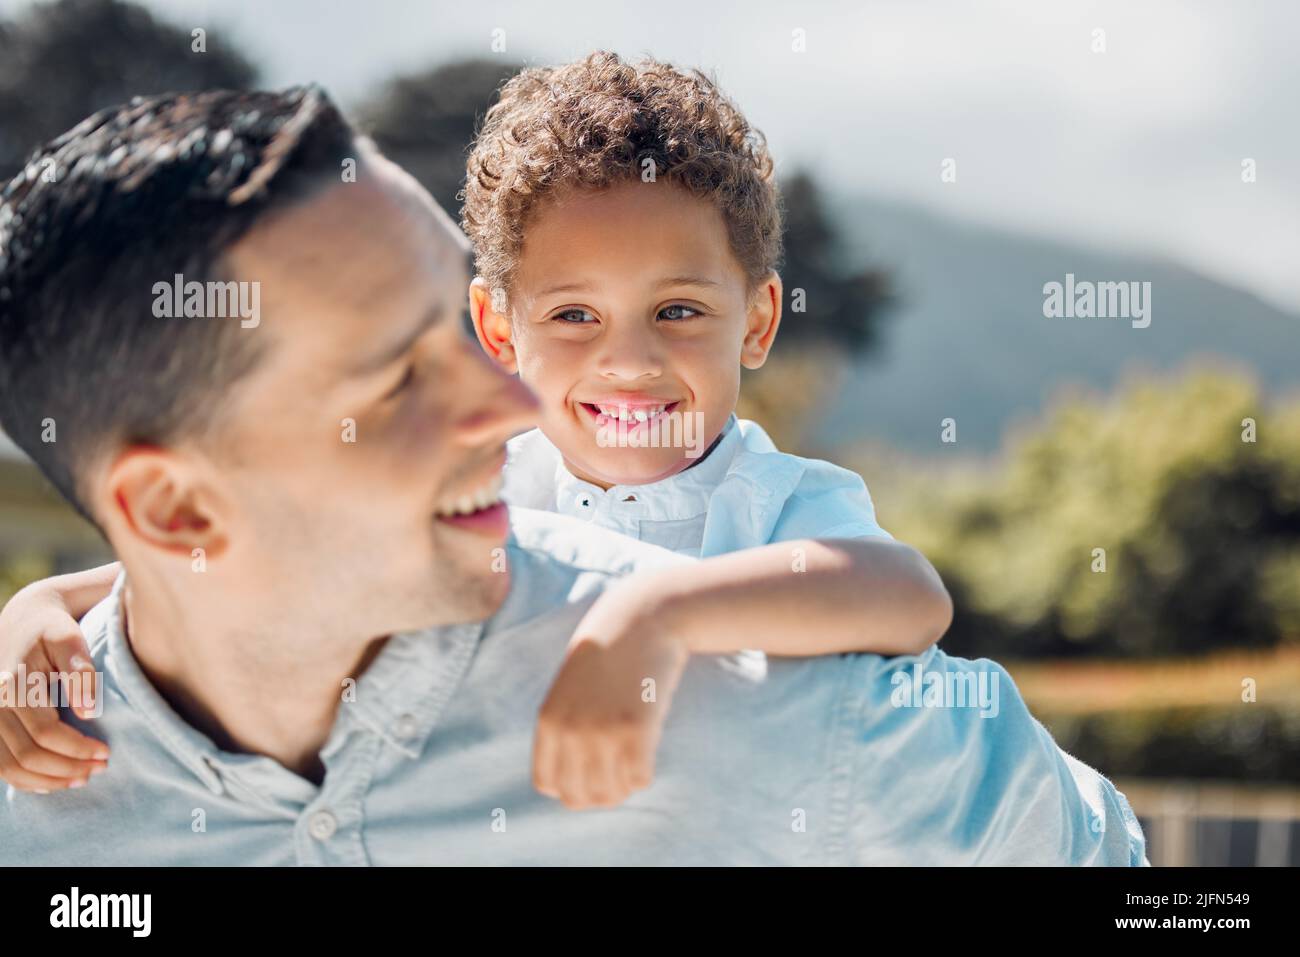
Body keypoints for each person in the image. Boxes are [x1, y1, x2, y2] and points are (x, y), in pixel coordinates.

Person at [0, 85, 1145, 864]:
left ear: (759, 322)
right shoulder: (485, 484)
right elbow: (265, 556)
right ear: (503, 329)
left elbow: (907, 598)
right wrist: (45, 605)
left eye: (679, 312)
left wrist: (655, 613)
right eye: (575, 318)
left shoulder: (777, 522)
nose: (629, 360)